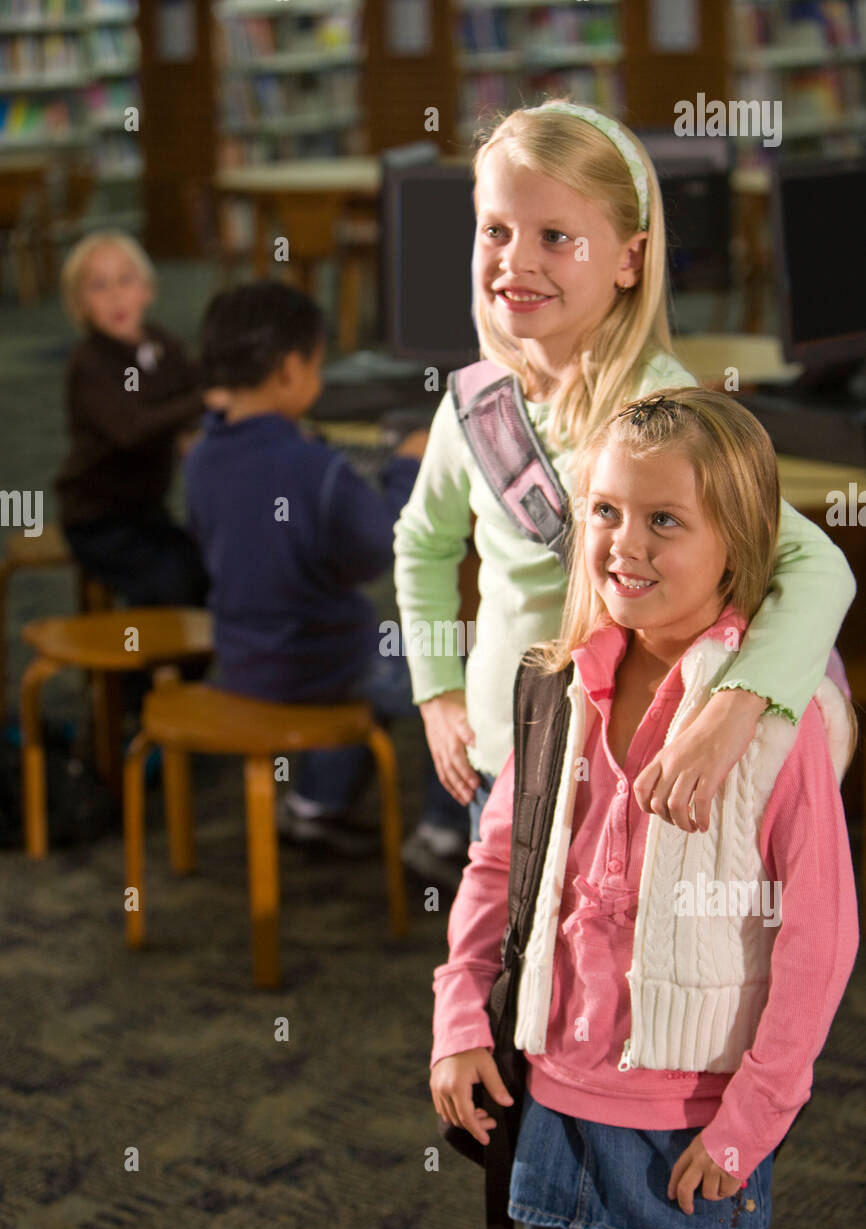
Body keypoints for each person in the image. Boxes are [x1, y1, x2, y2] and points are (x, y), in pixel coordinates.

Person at [431, 388, 859, 1229]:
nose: (625, 545)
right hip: (559, 1094)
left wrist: (754, 1114)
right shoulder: (557, 688)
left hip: (698, 1115)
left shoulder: (781, 729)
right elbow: (498, 865)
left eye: (664, 520)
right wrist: (459, 1015)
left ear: (741, 550)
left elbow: (819, 938)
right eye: (605, 512)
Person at [393, 99, 856, 852]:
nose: (517, 260)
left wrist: (732, 710)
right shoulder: (475, 401)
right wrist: (437, 691)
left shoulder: (662, 413)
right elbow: (423, 543)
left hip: (618, 768)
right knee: (510, 963)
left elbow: (817, 566)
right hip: (505, 755)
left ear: (629, 259)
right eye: (496, 231)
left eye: (556, 237)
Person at [185, 281, 467, 861]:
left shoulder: (201, 457)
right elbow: (380, 548)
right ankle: (444, 834)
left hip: (240, 655)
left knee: (376, 653)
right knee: (450, 660)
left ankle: (316, 803)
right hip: (319, 663)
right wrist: (407, 468)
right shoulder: (313, 467)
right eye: (317, 363)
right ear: (291, 370)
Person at [56, 230, 209, 611]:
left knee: (205, 573)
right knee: (170, 585)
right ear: (80, 304)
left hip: (148, 512)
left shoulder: (159, 344)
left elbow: (198, 382)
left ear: (147, 290)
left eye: (126, 280)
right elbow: (131, 430)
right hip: (97, 519)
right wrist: (201, 401)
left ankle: (175, 670)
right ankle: (138, 670)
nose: (115, 295)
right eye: (98, 286)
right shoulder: (90, 362)